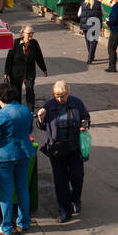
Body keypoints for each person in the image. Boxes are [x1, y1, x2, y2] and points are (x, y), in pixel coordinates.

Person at [37, 81, 91, 223]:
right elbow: (41, 126)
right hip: (56, 150)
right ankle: (64, 210)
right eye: (57, 96)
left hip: (74, 148)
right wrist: (41, 118)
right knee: (61, 181)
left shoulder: (76, 103)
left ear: (68, 93)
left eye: (63, 96)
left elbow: (86, 117)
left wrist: (84, 125)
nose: (60, 99)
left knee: (77, 177)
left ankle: (76, 198)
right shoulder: (49, 105)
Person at [0, 82, 36, 235]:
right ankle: (24, 222)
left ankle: (6, 226)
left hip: (5, 157)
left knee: (7, 191)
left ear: (1, 99)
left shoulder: (1, 114)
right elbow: (29, 130)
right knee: (22, 189)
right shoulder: (25, 110)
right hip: (23, 153)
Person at [4, 24, 48, 106]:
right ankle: (17, 109)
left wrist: (44, 69)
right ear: (23, 33)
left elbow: (39, 57)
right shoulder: (16, 43)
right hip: (15, 73)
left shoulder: (34, 43)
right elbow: (9, 59)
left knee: (30, 90)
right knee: (16, 92)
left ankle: (30, 111)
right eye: (29, 33)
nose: (31, 35)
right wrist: (6, 72)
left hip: (29, 73)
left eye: (32, 33)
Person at [79, 0, 103, 65]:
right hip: (95, 24)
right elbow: (102, 13)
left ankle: (91, 56)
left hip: (85, 25)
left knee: (88, 41)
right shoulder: (99, 4)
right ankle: (90, 57)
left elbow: (79, 14)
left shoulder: (83, 4)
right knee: (93, 41)